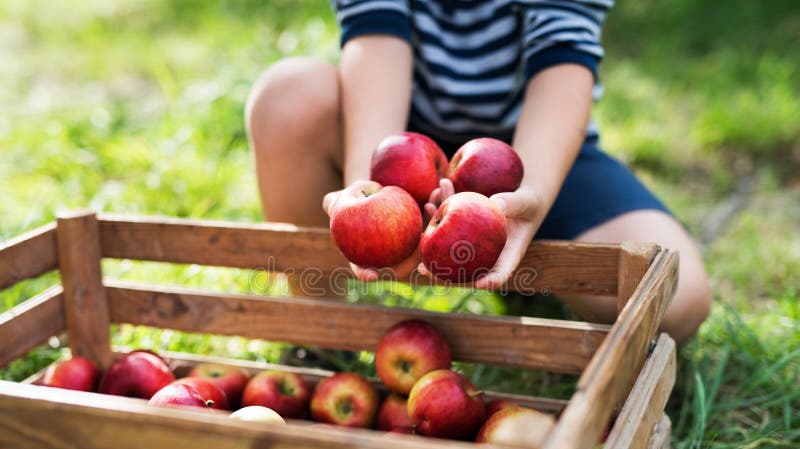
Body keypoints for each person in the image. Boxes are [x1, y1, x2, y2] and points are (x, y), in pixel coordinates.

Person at [245, 0, 711, 344]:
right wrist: (368, 194)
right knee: (288, 97)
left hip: (531, 153)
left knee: (678, 299)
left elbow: (564, 58)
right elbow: (376, 36)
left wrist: (531, 195)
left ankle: (521, 267)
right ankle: (316, 331)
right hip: (404, 142)